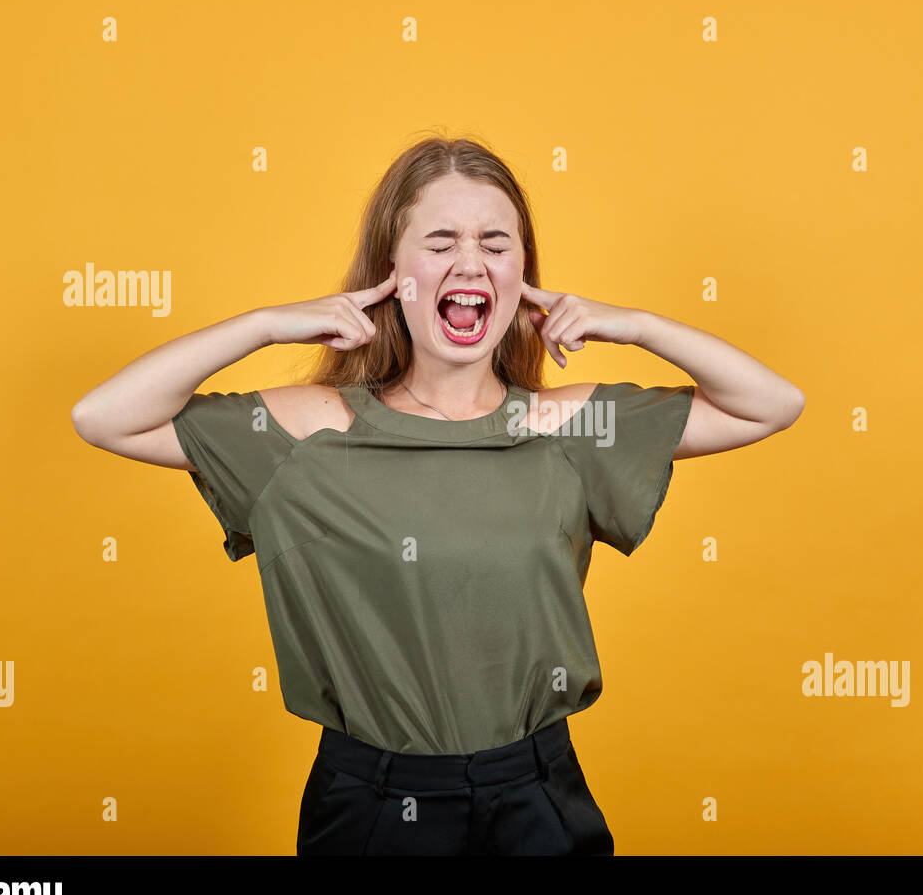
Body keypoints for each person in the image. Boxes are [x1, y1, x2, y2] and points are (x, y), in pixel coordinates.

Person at [70, 134, 805, 855]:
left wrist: (634, 326)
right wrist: (266, 326)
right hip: (373, 805)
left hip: (538, 797)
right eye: (441, 241)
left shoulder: (571, 427)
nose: (471, 262)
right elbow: (104, 417)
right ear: (392, 272)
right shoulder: (306, 434)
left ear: (523, 272)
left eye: (496, 243)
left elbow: (769, 404)